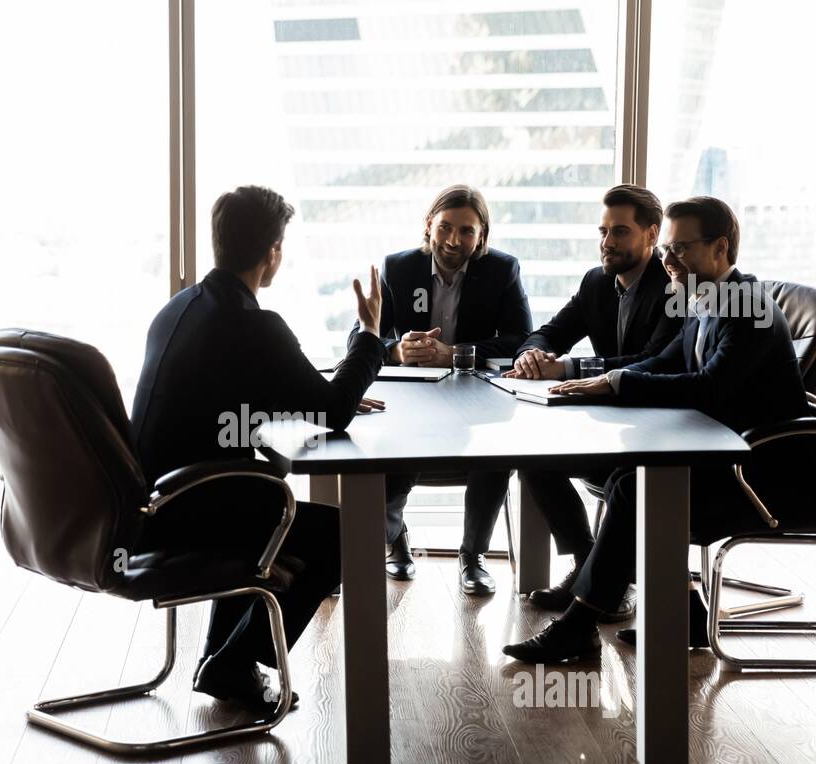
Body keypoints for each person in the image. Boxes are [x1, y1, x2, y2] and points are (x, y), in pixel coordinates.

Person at [503, 196, 816, 663]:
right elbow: (665, 362)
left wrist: (615, 382)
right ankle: (684, 614)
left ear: (720, 248)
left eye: (680, 249)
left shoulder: (746, 308)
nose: (669, 259)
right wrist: (600, 383)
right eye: (667, 251)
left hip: (769, 477)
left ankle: (579, 626)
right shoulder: (706, 299)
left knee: (637, 490)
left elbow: (708, 388)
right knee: (628, 481)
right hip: (726, 458)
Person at [131, 185, 386, 710]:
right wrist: (369, 334)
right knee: (348, 534)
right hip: (190, 508)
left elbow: (223, 392)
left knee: (268, 510)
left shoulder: (181, 306)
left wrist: (307, 397)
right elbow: (334, 413)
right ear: (273, 251)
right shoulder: (255, 324)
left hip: (152, 498)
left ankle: (227, 662)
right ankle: (232, 662)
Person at [508, 184, 682, 622]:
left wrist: (568, 369)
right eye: (603, 231)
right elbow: (548, 332)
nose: (607, 243)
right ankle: (592, 570)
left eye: (620, 232)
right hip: (608, 424)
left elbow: (652, 362)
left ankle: (604, 582)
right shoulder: (597, 282)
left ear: (651, 234)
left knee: (619, 480)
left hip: (657, 432)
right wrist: (532, 354)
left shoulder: (675, 285)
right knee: (532, 453)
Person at [347, 184, 532, 595]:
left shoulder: (502, 270)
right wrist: (394, 350)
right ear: (429, 225)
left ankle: (473, 555)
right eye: (445, 227)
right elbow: (359, 338)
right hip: (411, 400)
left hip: (475, 397)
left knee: (497, 454)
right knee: (390, 452)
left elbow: (522, 338)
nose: (453, 240)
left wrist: (457, 352)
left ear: (481, 235)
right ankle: (394, 538)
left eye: (466, 231)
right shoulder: (398, 267)